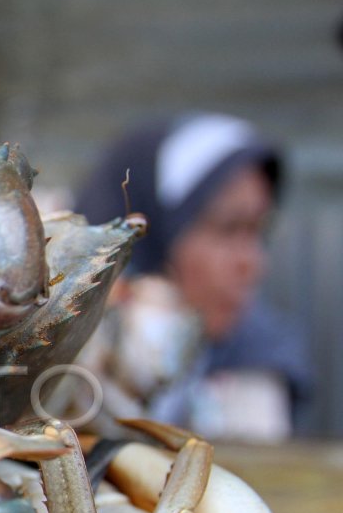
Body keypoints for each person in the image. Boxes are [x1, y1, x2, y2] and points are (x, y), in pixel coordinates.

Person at [71, 112, 312, 440]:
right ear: (153, 237)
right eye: (228, 229)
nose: (253, 263)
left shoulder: (257, 360)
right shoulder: (59, 373)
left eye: (259, 232)